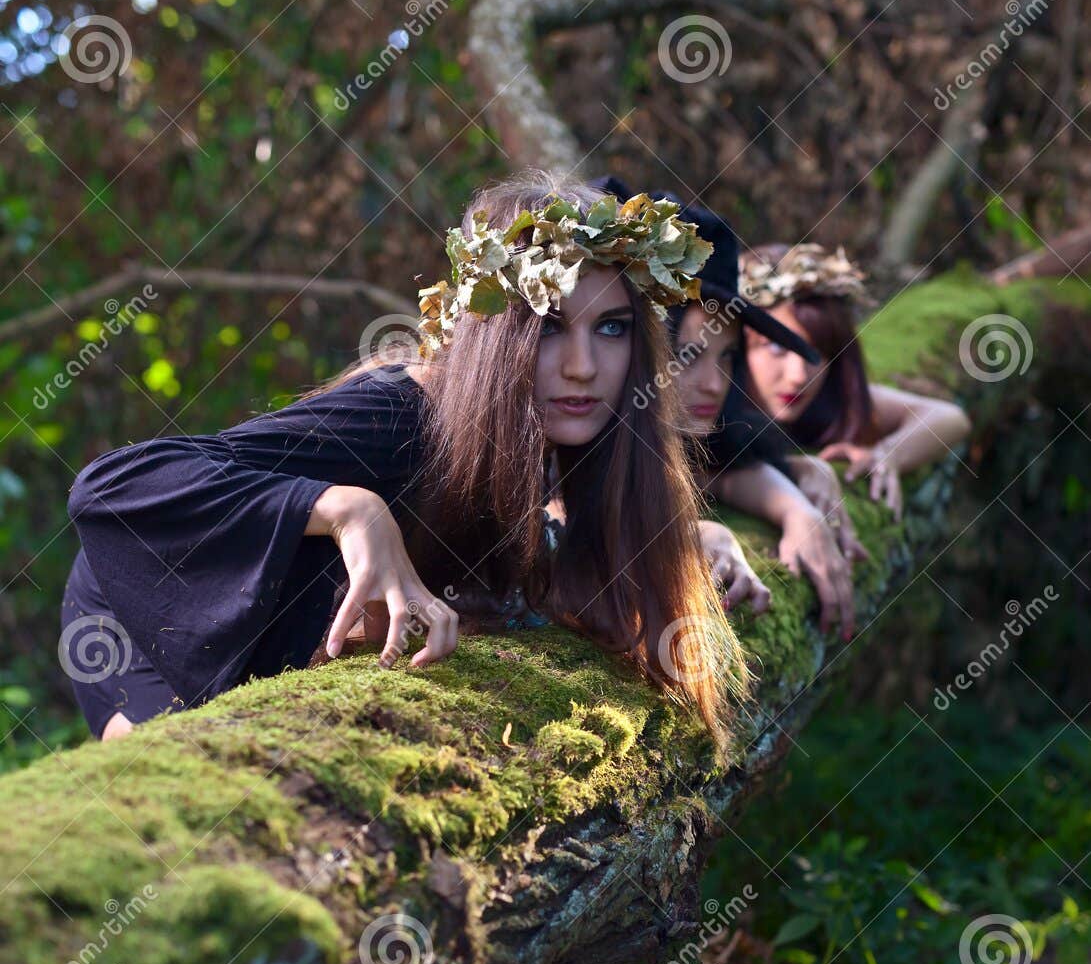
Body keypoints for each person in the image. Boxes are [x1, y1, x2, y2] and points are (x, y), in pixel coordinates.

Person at [62, 173, 749, 754]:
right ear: (494, 332)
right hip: (140, 611)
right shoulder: (400, 414)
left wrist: (691, 535)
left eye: (611, 328)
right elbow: (114, 486)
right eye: (547, 326)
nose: (582, 366)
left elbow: (554, 531)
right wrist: (347, 510)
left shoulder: (571, 435)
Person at [594, 179, 865, 641]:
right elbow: (564, 520)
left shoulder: (676, 433)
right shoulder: (566, 428)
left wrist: (797, 503)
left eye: (726, 356)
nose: (714, 383)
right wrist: (695, 536)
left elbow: (722, 466)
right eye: (687, 355)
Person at [739, 242, 972, 521]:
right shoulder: (702, 405)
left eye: (815, 353)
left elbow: (949, 417)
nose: (798, 375)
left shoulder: (833, 398)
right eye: (777, 348)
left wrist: (887, 454)